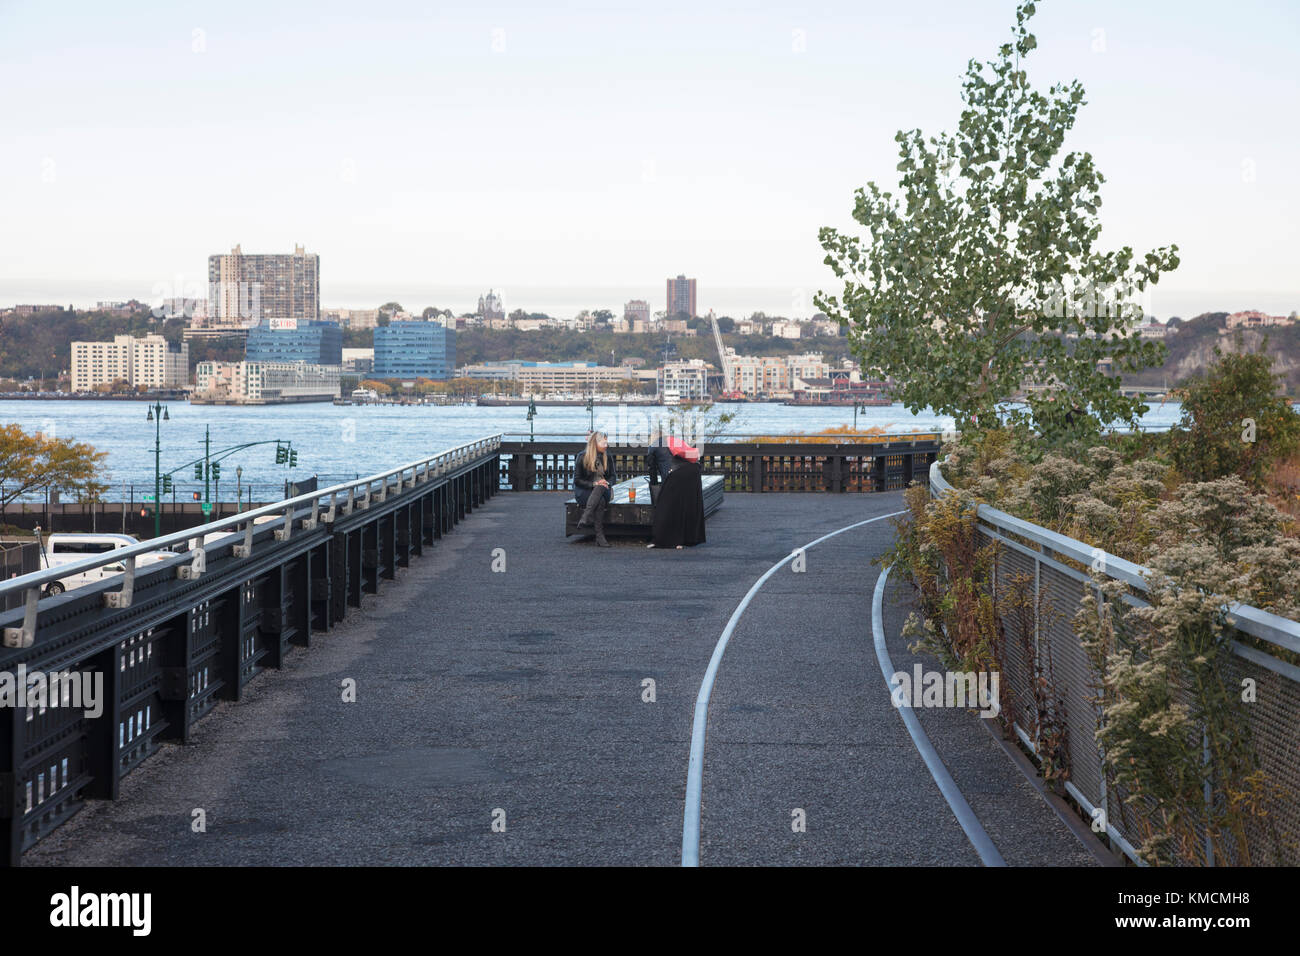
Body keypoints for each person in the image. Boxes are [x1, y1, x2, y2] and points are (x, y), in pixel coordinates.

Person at [648, 437, 705, 550]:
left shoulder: (652, 447)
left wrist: (656, 487)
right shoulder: (674, 440)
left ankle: (661, 541)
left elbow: (652, 469)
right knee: (686, 506)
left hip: (675, 473)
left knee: (664, 509)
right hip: (694, 471)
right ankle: (687, 539)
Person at [574, 431, 616, 547]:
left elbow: (613, 476)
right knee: (600, 500)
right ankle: (600, 536)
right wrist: (594, 484)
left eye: (607, 443)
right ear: (595, 443)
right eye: (603, 443)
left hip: (605, 490)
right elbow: (577, 480)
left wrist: (606, 482)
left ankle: (586, 516)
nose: (606, 445)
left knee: (601, 488)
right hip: (585, 492)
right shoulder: (582, 456)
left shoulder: (607, 456)